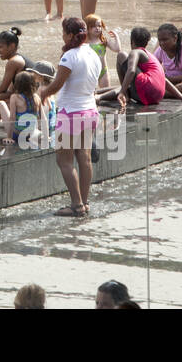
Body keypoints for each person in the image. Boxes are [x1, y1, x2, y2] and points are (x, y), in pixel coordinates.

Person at [43, 18, 101, 217]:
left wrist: (41, 94)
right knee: (84, 159)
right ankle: (84, 203)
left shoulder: (69, 56)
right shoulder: (93, 54)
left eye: (63, 32)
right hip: (90, 112)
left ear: (69, 34)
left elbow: (56, 85)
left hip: (70, 113)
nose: (62, 36)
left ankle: (76, 205)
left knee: (64, 161)